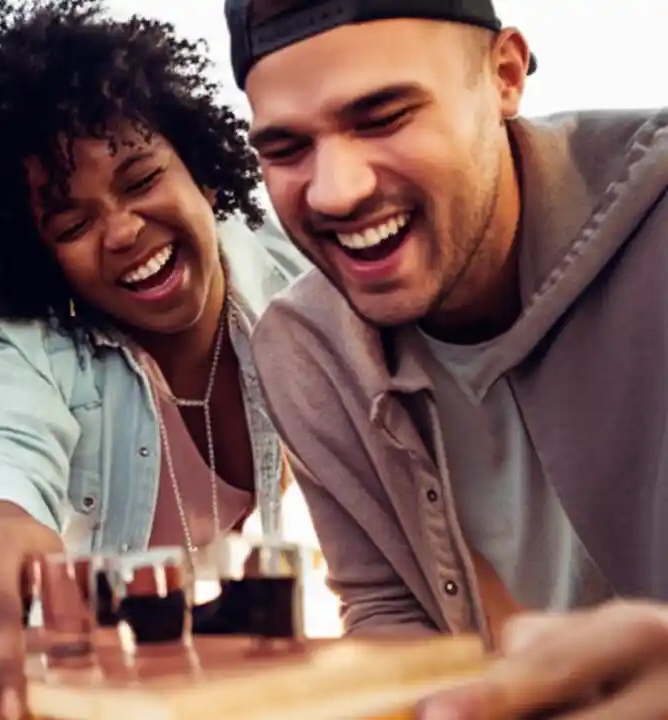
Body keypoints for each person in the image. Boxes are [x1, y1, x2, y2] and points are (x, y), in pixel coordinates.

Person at [224, 0, 668, 716]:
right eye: (285, 149)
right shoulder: (303, 347)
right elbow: (387, 613)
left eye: (384, 117)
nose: (337, 190)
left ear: (505, 76)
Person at [0, 2, 307, 718]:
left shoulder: (297, 275)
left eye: (142, 179)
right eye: (72, 222)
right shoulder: (26, 341)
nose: (121, 232)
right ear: (40, 255)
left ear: (204, 173)